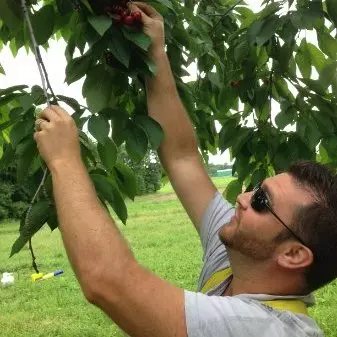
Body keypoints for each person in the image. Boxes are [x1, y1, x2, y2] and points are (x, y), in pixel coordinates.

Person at [33, 3, 337, 336]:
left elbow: (110, 281)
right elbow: (182, 158)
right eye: (256, 187)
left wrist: (64, 159)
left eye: (263, 201)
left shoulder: (268, 329)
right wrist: (156, 54)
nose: (244, 198)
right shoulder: (241, 257)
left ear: (292, 254)